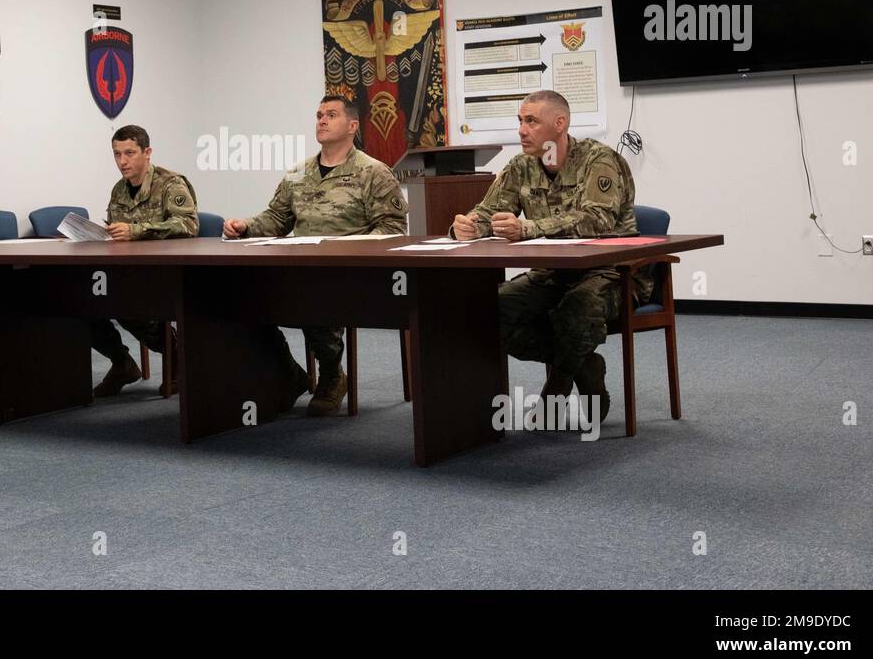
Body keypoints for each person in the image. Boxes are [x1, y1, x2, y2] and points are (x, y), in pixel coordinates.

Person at [450, 90, 647, 423]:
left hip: (611, 272)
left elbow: (596, 220)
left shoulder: (599, 160)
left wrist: (528, 228)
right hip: (552, 274)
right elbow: (490, 211)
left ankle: (557, 384)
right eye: (520, 121)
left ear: (560, 124)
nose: (522, 131)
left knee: (578, 308)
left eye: (531, 121)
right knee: (485, 311)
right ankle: (584, 364)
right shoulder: (521, 166)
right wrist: (467, 226)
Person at [223, 94, 408, 415]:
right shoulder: (298, 173)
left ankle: (333, 376)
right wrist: (245, 226)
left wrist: (349, 249)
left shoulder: (373, 173)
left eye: (331, 115)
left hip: (354, 272)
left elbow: (392, 229)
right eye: (319, 115)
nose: (322, 120)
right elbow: (277, 219)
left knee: (312, 294)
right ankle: (289, 373)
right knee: (240, 300)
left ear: (352, 126)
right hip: (302, 267)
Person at [89, 125, 198, 397]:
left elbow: (188, 224)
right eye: (116, 154)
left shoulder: (170, 183)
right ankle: (121, 361)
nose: (122, 161)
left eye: (129, 153)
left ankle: (176, 357)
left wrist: (136, 230)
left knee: (128, 304)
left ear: (147, 152)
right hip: (128, 269)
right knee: (83, 302)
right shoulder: (119, 190)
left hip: (166, 272)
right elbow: (117, 230)